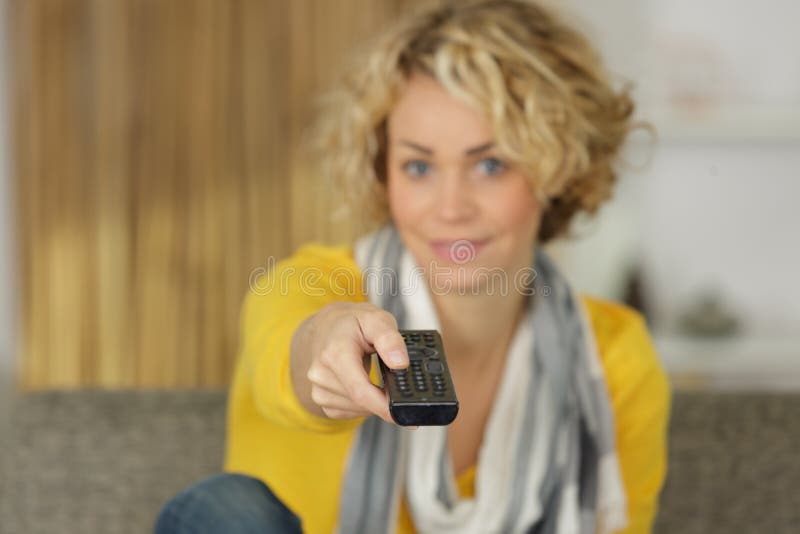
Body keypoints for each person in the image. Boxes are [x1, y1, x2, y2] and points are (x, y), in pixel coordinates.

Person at [155, 1, 670, 533]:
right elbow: (296, 350)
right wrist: (327, 350)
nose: (450, 207)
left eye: (491, 165)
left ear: (560, 169)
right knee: (225, 509)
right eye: (418, 166)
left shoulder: (614, 358)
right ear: (383, 173)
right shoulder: (303, 286)